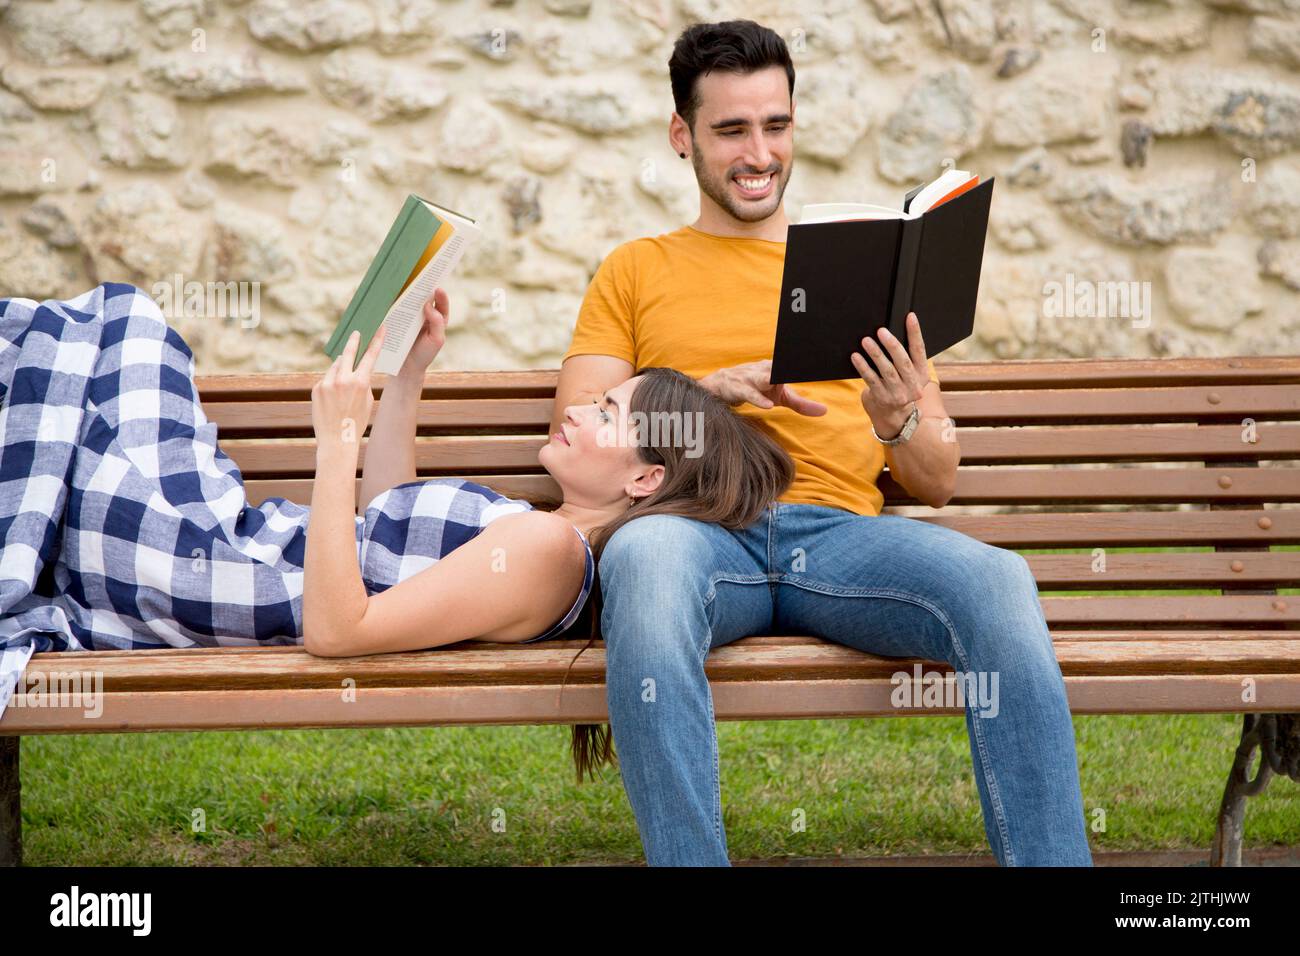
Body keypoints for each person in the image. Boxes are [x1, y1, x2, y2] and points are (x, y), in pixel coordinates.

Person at [550, 19, 1093, 866]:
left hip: (839, 542)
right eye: (731, 130)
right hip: (698, 531)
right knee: (644, 563)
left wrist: (898, 420)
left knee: (998, 582)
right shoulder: (636, 269)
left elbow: (938, 477)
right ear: (682, 135)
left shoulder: (864, 268)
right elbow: (579, 425)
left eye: (777, 125)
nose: (758, 152)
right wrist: (705, 393)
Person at [0, 282, 795, 780]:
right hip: (227, 543)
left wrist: (337, 439)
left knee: (119, 320)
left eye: (609, 411)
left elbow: (340, 630)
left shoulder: (548, 552)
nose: (582, 406)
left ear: (645, 479)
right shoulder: (539, 536)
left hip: (215, 566)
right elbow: (388, 515)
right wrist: (410, 373)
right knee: (101, 338)